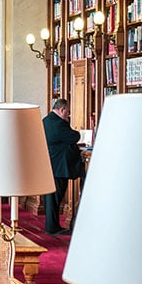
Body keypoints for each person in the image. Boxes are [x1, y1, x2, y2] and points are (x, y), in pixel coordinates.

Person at [42, 99, 85, 235]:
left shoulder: (46, 120)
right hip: (59, 167)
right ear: (62, 109)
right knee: (55, 198)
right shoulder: (59, 123)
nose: (68, 114)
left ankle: (51, 226)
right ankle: (52, 228)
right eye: (67, 111)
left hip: (51, 164)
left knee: (51, 199)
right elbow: (74, 136)